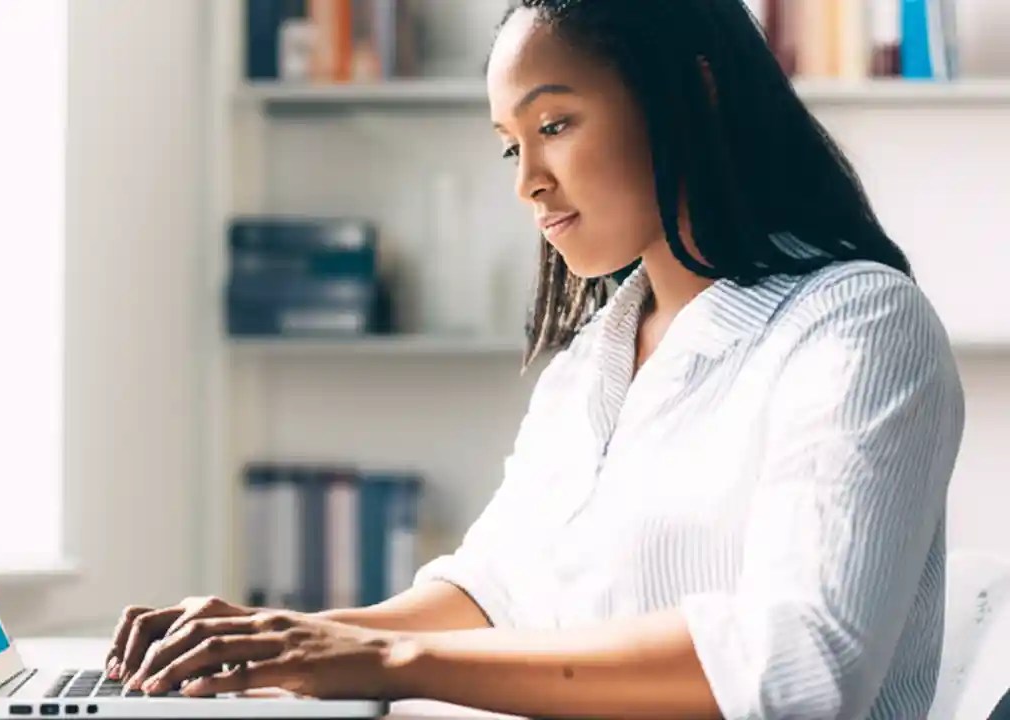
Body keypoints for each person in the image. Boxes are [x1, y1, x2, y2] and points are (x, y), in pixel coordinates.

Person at [103, 1, 966, 717]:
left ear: (691, 95)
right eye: (514, 145)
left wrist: (383, 656)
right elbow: (492, 594)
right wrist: (282, 646)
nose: (528, 181)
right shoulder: (595, 357)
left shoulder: (857, 323)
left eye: (554, 124)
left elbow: (803, 667)